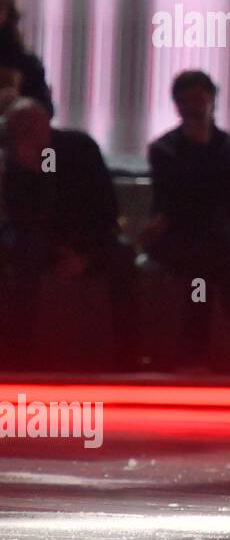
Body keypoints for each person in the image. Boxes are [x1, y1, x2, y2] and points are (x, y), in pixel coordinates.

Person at [143, 70, 230, 367]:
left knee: (205, 260)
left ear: (212, 101)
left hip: (208, 236)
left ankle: (193, 355)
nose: (193, 108)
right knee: (210, 252)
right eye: (186, 102)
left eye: (198, 100)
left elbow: (220, 197)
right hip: (180, 235)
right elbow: (182, 201)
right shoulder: (164, 150)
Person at [0, 98, 141, 370]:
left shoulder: (80, 148)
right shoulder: (16, 160)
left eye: (33, 126)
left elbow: (105, 208)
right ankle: (18, 357)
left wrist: (84, 254)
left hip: (87, 236)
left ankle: (128, 357)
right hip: (38, 239)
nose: (29, 134)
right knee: (22, 256)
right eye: (20, 130)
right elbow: (23, 218)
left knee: (123, 257)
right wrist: (32, 173)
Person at [0, 0, 56, 118]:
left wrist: (20, 103)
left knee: (80, 140)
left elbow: (46, 109)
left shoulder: (24, 61)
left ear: (8, 14)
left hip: (14, 131)